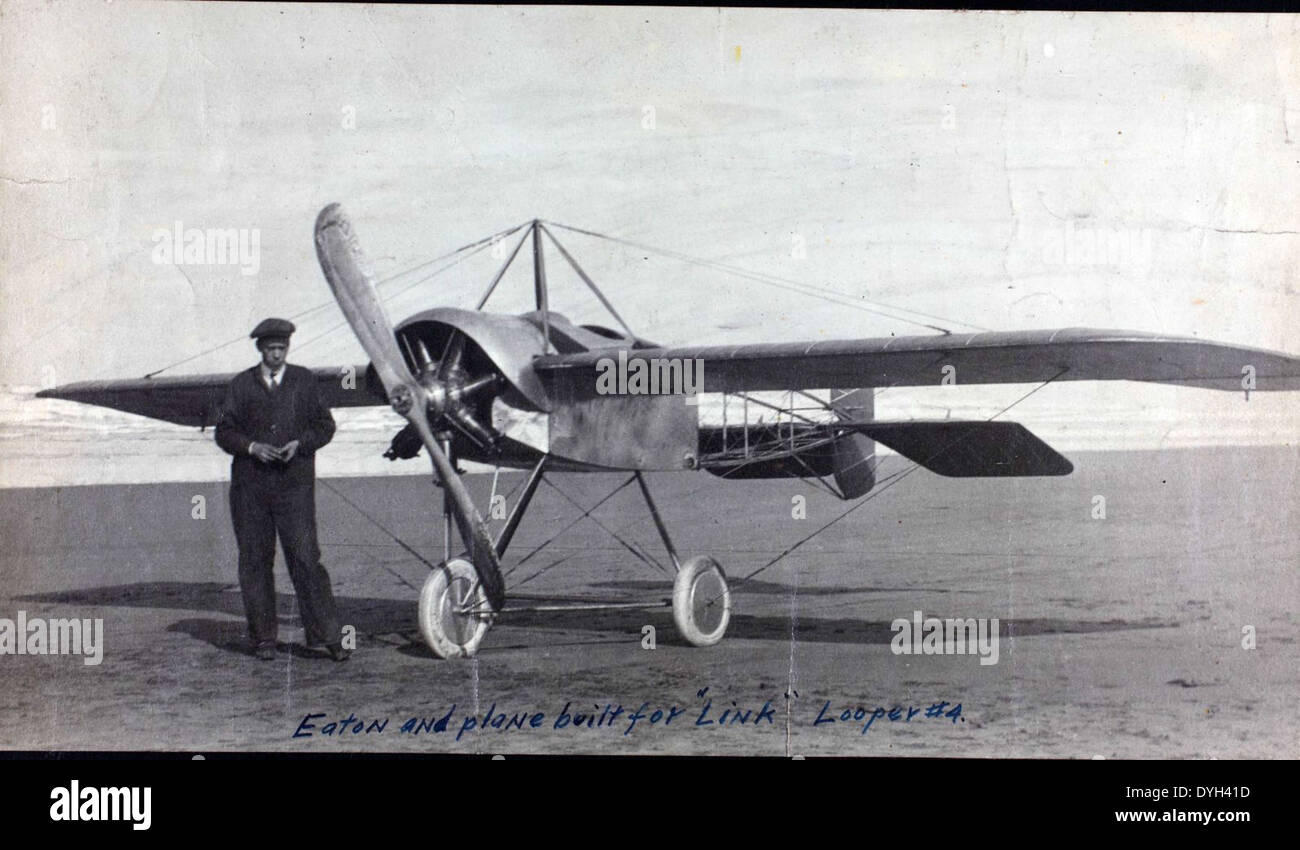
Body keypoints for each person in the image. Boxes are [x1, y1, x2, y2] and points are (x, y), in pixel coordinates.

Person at [214, 318, 349, 662]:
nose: (277, 354)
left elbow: (325, 426)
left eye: (282, 348)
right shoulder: (241, 385)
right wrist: (251, 447)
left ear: (288, 348)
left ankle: (329, 637)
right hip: (250, 490)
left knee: (306, 559)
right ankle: (264, 641)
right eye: (271, 349)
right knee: (255, 562)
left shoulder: (304, 380)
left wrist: (300, 444)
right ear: (260, 349)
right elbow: (224, 432)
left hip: (294, 488)